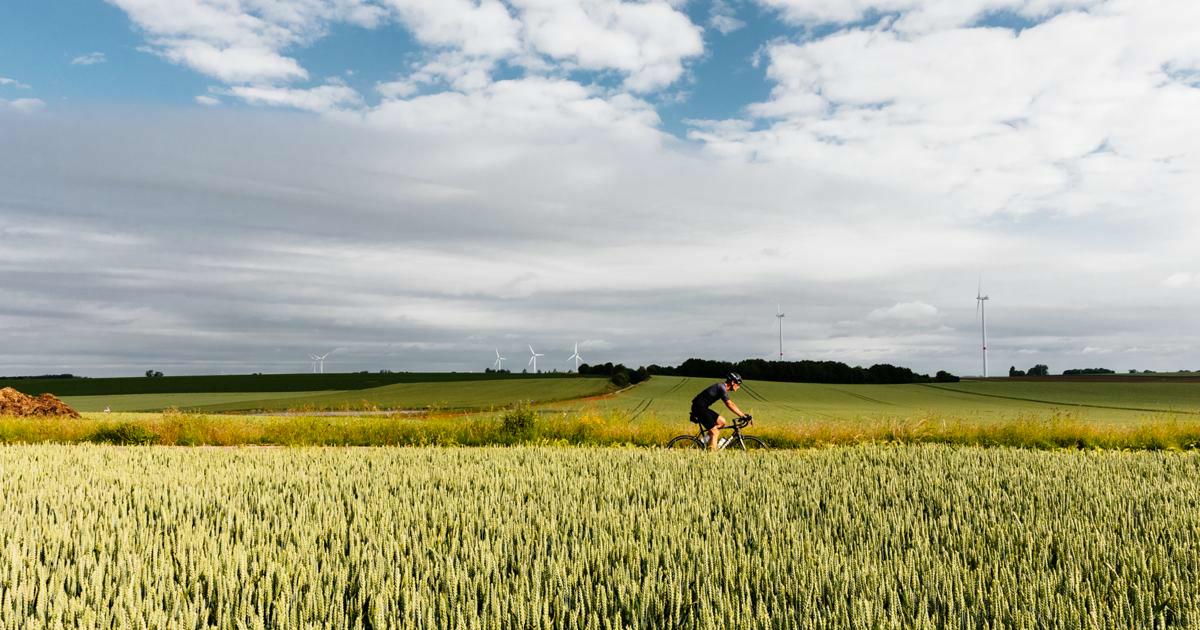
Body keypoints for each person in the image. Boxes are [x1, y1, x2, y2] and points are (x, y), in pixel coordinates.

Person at [690, 372, 748, 450]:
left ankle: (703, 441)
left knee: (722, 422)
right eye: (738, 384)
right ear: (732, 382)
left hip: (702, 408)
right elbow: (729, 404)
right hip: (699, 408)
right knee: (715, 432)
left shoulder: (722, 387)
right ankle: (712, 456)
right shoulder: (721, 387)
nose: (739, 387)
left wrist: (742, 415)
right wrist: (743, 415)